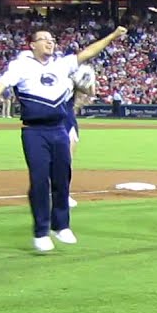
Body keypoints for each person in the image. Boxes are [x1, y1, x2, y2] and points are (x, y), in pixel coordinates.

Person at [0, 26, 128, 252]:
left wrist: (113, 36)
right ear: (32, 44)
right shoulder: (21, 66)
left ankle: (61, 225)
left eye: (52, 39)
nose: (49, 42)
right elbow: (2, 85)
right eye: (43, 39)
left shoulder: (61, 64)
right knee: (39, 180)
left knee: (62, 178)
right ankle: (41, 231)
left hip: (59, 129)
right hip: (34, 131)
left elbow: (88, 52)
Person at [65, 63, 96, 208]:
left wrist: (90, 78)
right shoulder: (66, 81)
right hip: (62, 119)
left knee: (66, 160)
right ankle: (61, 194)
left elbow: (90, 94)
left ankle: (63, 194)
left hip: (68, 118)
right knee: (63, 160)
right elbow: (89, 93)